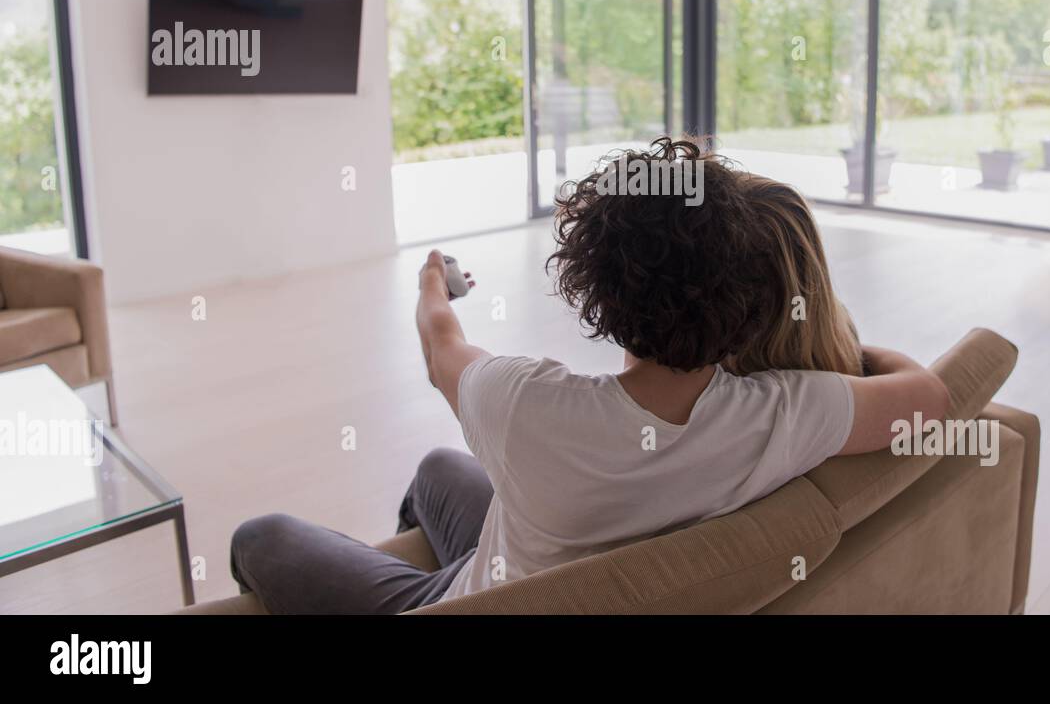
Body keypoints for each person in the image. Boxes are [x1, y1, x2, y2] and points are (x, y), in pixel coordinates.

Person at [229, 138, 948, 613]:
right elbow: (932, 398)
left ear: (596, 293)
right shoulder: (792, 412)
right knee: (437, 467)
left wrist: (432, 281)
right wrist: (852, 352)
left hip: (469, 601)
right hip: (524, 563)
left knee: (260, 535)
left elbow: (438, 340)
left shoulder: (522, 407)